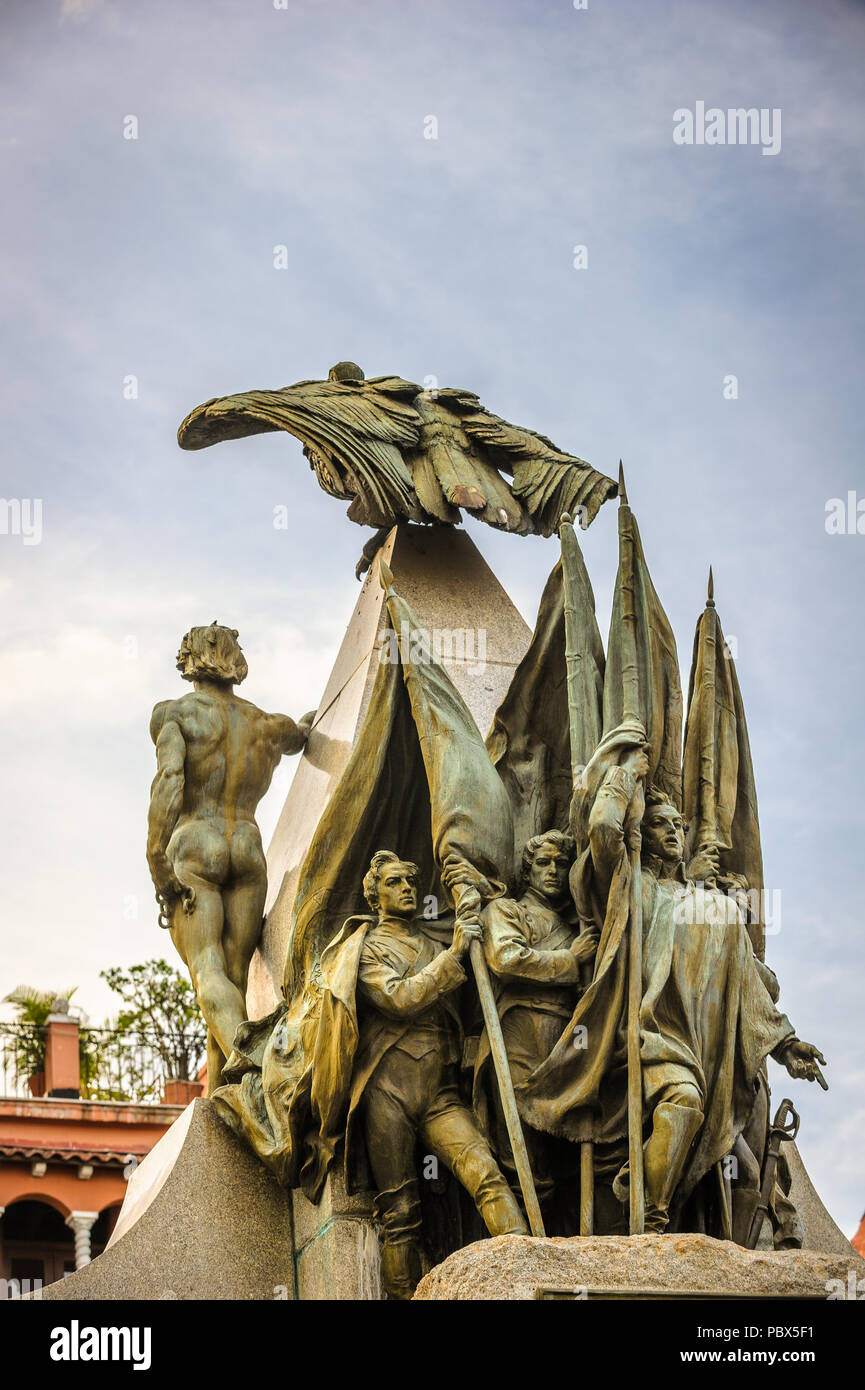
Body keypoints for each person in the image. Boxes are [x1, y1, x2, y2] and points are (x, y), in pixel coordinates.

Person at [518, 725, 826, 1236]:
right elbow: (600, 832)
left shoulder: (715, 908)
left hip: (708, 1048)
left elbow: (747, 982)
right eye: (661, 824)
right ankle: (648, 1215)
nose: (673, 833)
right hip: (643, 1036)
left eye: (678, 827)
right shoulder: (629, 886)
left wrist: (785, 1043)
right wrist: (623, 776)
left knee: (718, 1132)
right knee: (682, 1103)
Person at [308, 850, 528, 1299]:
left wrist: (472, 894)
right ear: (375, 896)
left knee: (485, 1173)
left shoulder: (434, 941)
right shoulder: (365, 950)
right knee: (400, 1212)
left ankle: (530, 1272)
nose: (407, 888)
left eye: (410, 881)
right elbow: (399, 997)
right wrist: (453, 956)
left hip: (440, 1092)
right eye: (394, 883)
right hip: (386, 1092)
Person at [146, 622, 312, 1088]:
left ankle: (257, 1068)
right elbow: (301, 735)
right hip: (247, 848)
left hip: (196, 845)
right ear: (235, 661)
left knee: (208, 972)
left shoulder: (174, 715)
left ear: (188, 660)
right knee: (234, 982)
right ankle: (221, 1090)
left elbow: (169, 784)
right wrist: (306, 722)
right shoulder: (266, 724)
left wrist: (157, 860)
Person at [470, 830, 597, 1221]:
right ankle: (528, 1243)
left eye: (561, 863)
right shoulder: (506, 911)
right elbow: (507, 958)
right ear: (528, 871)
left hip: (571, 1041)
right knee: (524, 1151)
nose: (553, 871)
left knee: (571, 1149)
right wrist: (570, 960)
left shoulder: (581, 926)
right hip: (520, 1033)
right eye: (543, 863)